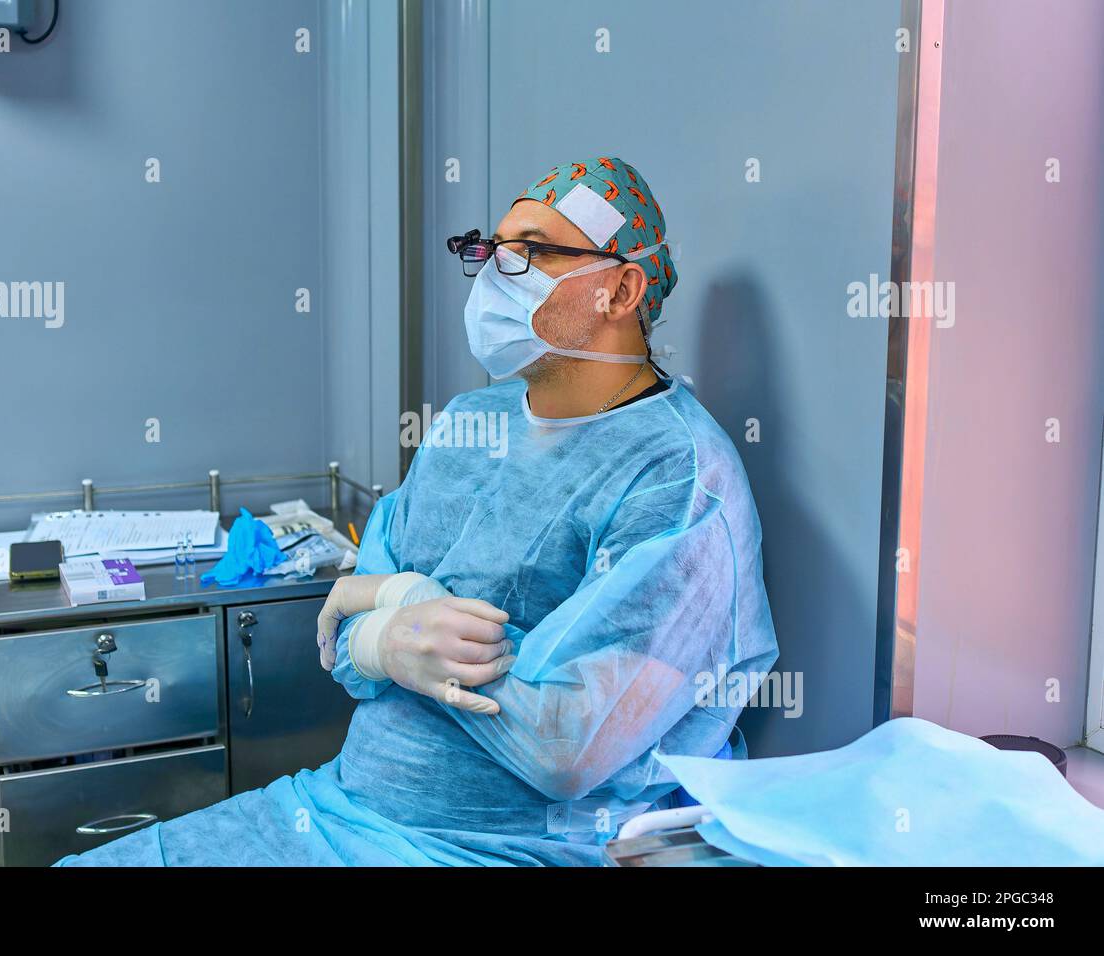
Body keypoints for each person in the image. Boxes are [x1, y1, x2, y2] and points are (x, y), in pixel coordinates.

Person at [58, 155, 778, 867]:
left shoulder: (680, 480)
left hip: (514, 846)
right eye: (492, 251)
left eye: (531, 252)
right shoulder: (469, 423)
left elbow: (570, 747)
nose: (498, 273)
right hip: (341, 806)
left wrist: (405, 602)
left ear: (621, 291)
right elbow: (341, 639)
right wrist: (382, 641)